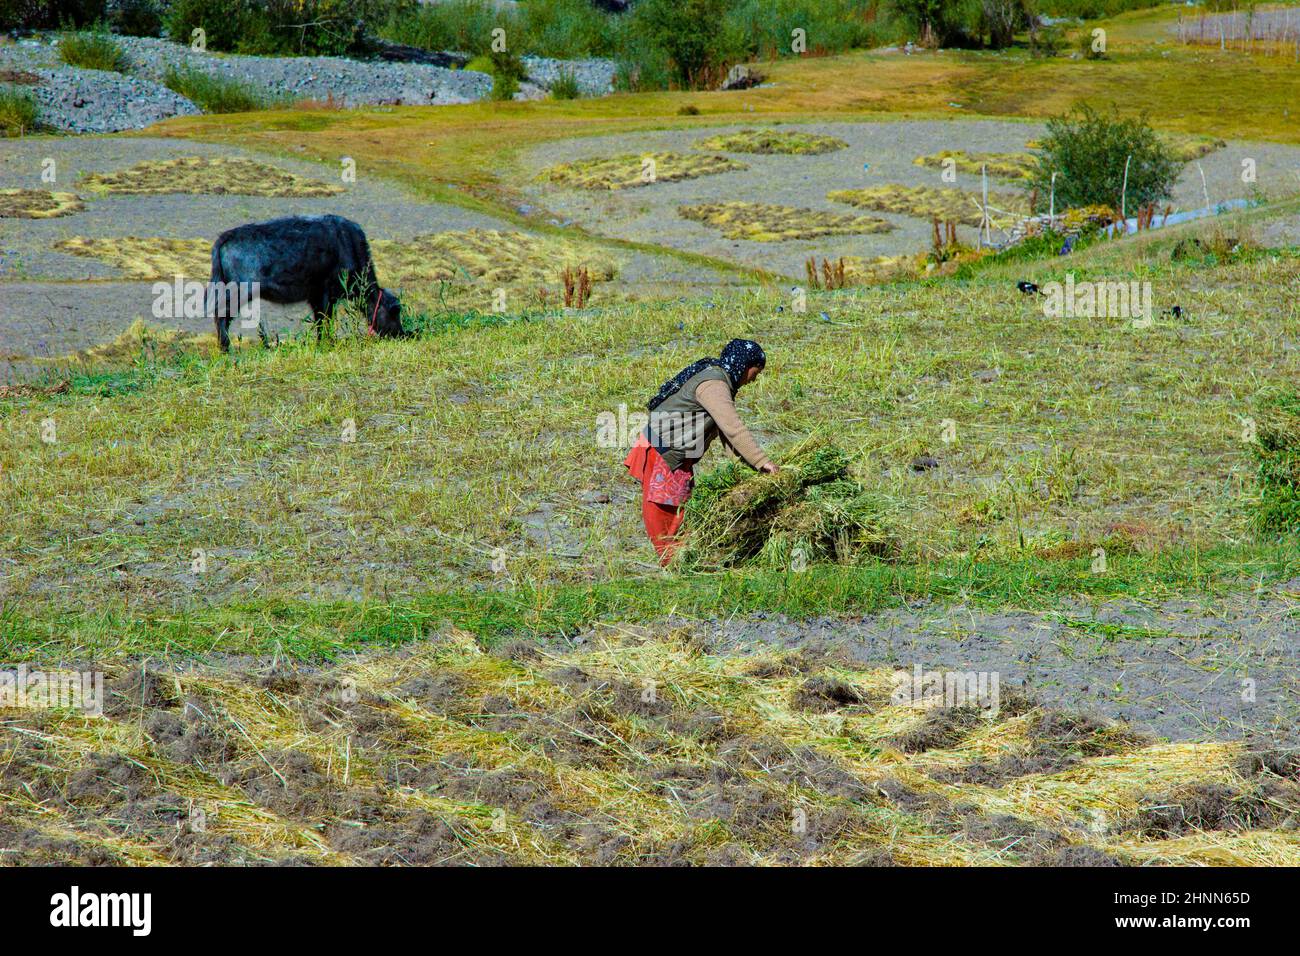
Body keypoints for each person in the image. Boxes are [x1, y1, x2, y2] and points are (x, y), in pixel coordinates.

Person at [623, 338, 778, 565]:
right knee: (668, 520)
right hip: (664, 455)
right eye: (757, 370)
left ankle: (681, 566)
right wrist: (762, 461)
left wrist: (750, 467)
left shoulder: (719, 380)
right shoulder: (714, 385)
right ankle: (676, 571)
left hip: (670, 454)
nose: (755, 378)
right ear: (745, 365)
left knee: (680, 515)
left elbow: (726, 433)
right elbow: (733, 427)